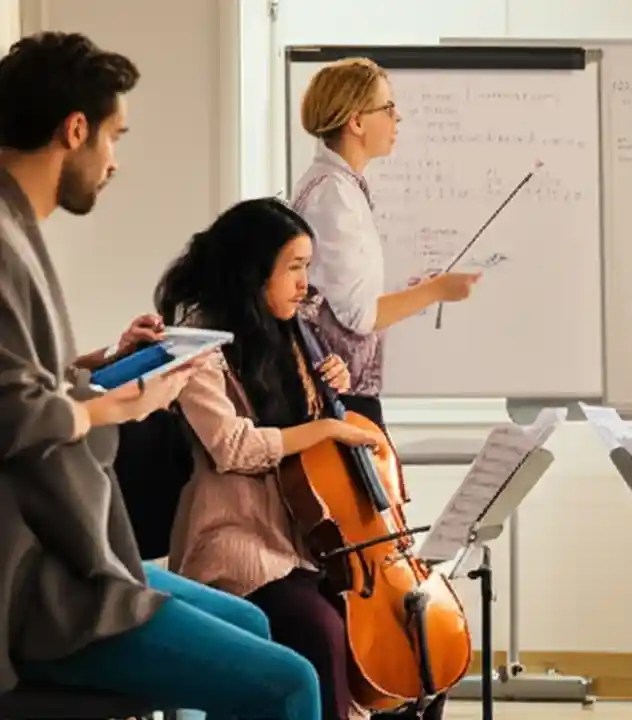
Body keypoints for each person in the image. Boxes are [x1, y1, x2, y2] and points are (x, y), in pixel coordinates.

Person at [0, 31, 322, 719]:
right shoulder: (3, 242)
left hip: (71, 549)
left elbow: (21, 376)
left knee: (257, 628)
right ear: (75, 129)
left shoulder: (16, 229)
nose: (114, 161)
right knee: (293, 683)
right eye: (114, 137)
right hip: (43, 578)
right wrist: (118, 405)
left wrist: (98, 366)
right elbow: (13, 414)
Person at [155, 197, 434, 720]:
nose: (306, 284)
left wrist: (332, 393)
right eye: (295, 268)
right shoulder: (195, 346)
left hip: (308, 545)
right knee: (322, 629)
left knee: (412, 633)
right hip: (237, 543)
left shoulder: (290, 334)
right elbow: (233, 446)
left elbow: (313, 458)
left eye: (307, 267)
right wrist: (324, 424)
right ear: (252, 271)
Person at [290, 56, 479, 429]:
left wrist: (423, 289)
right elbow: (360, 318)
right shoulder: (334, 197)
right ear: (356, 121)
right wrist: (437, 290)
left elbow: (345, 301)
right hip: (340, 400)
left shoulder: (340, 187)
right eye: (388, 108)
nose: (398, 119)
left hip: (343, 394)